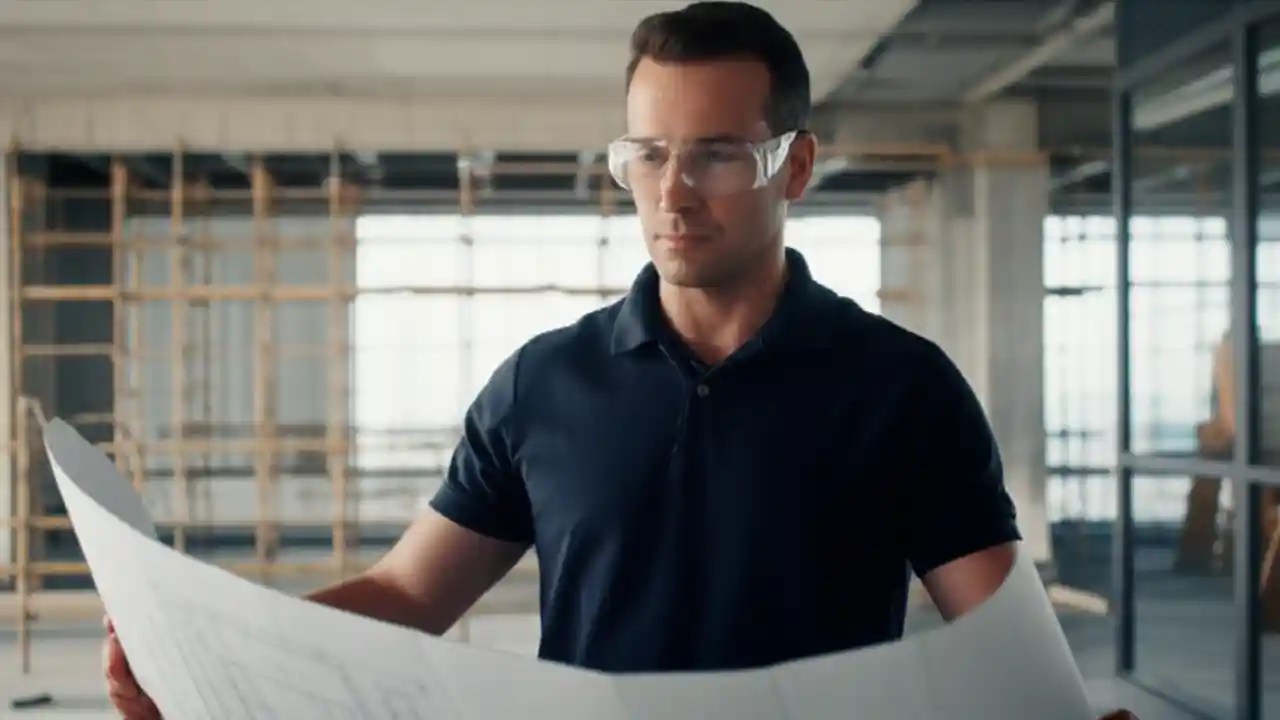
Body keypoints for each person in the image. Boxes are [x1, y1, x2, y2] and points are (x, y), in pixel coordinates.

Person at [103, 3, 1135, 718]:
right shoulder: (541, 384)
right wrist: (200, 644)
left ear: (796, 166)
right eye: (646, 154)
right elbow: (411, 595)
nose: (672, 191)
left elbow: (1002, 642)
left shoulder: (900, 390)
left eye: (717, 154)